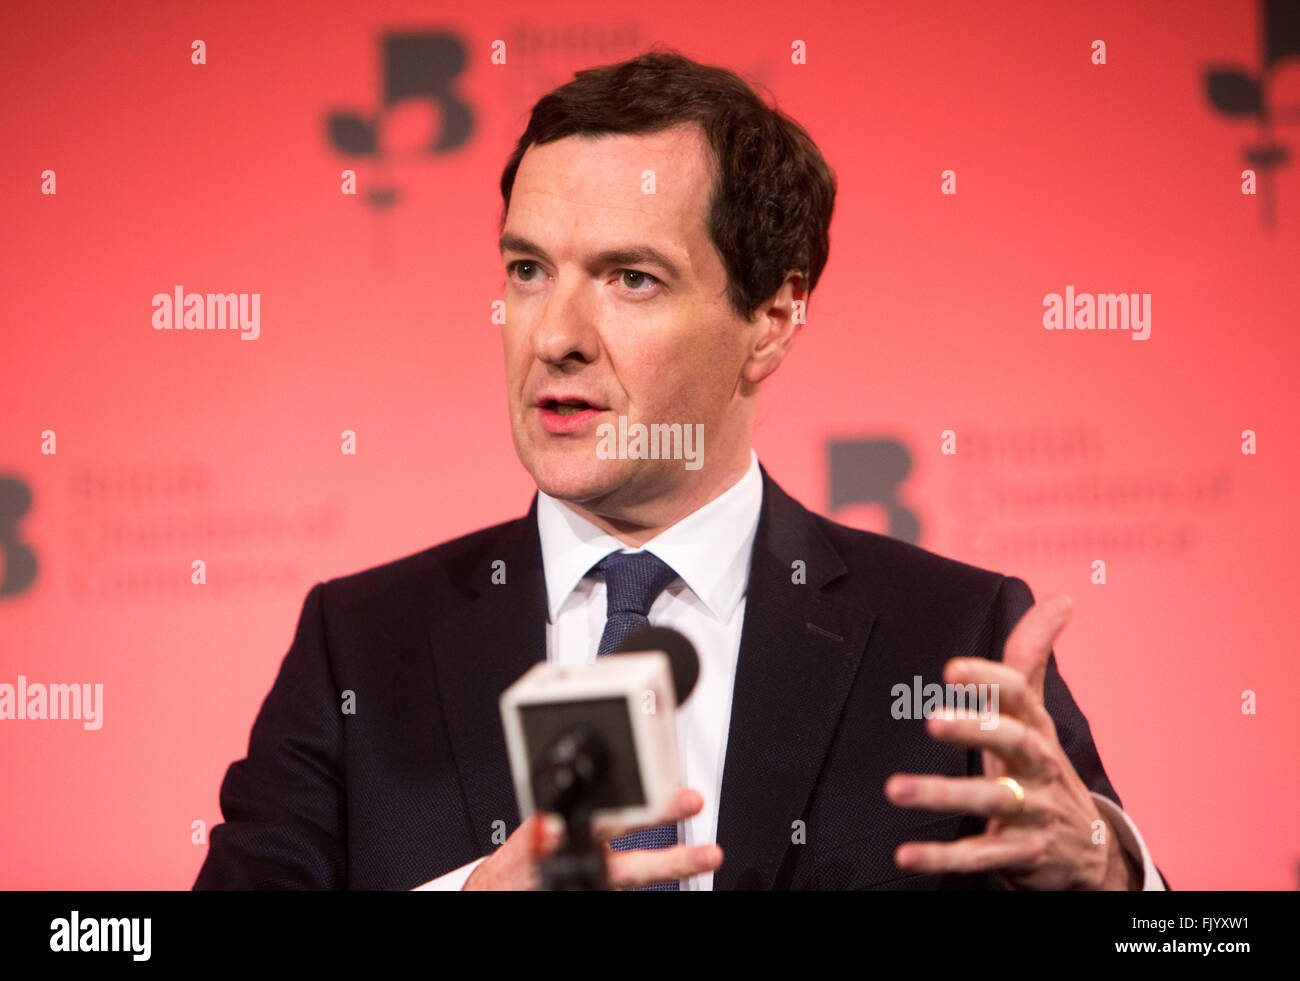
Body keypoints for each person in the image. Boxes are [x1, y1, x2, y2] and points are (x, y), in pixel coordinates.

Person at [194, 49, 1166, 891]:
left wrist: (1108, 870)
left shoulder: (951, 640)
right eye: (528, 270)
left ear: (771, 320)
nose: (555, 337)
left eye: (630, 279)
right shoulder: (362, 646)